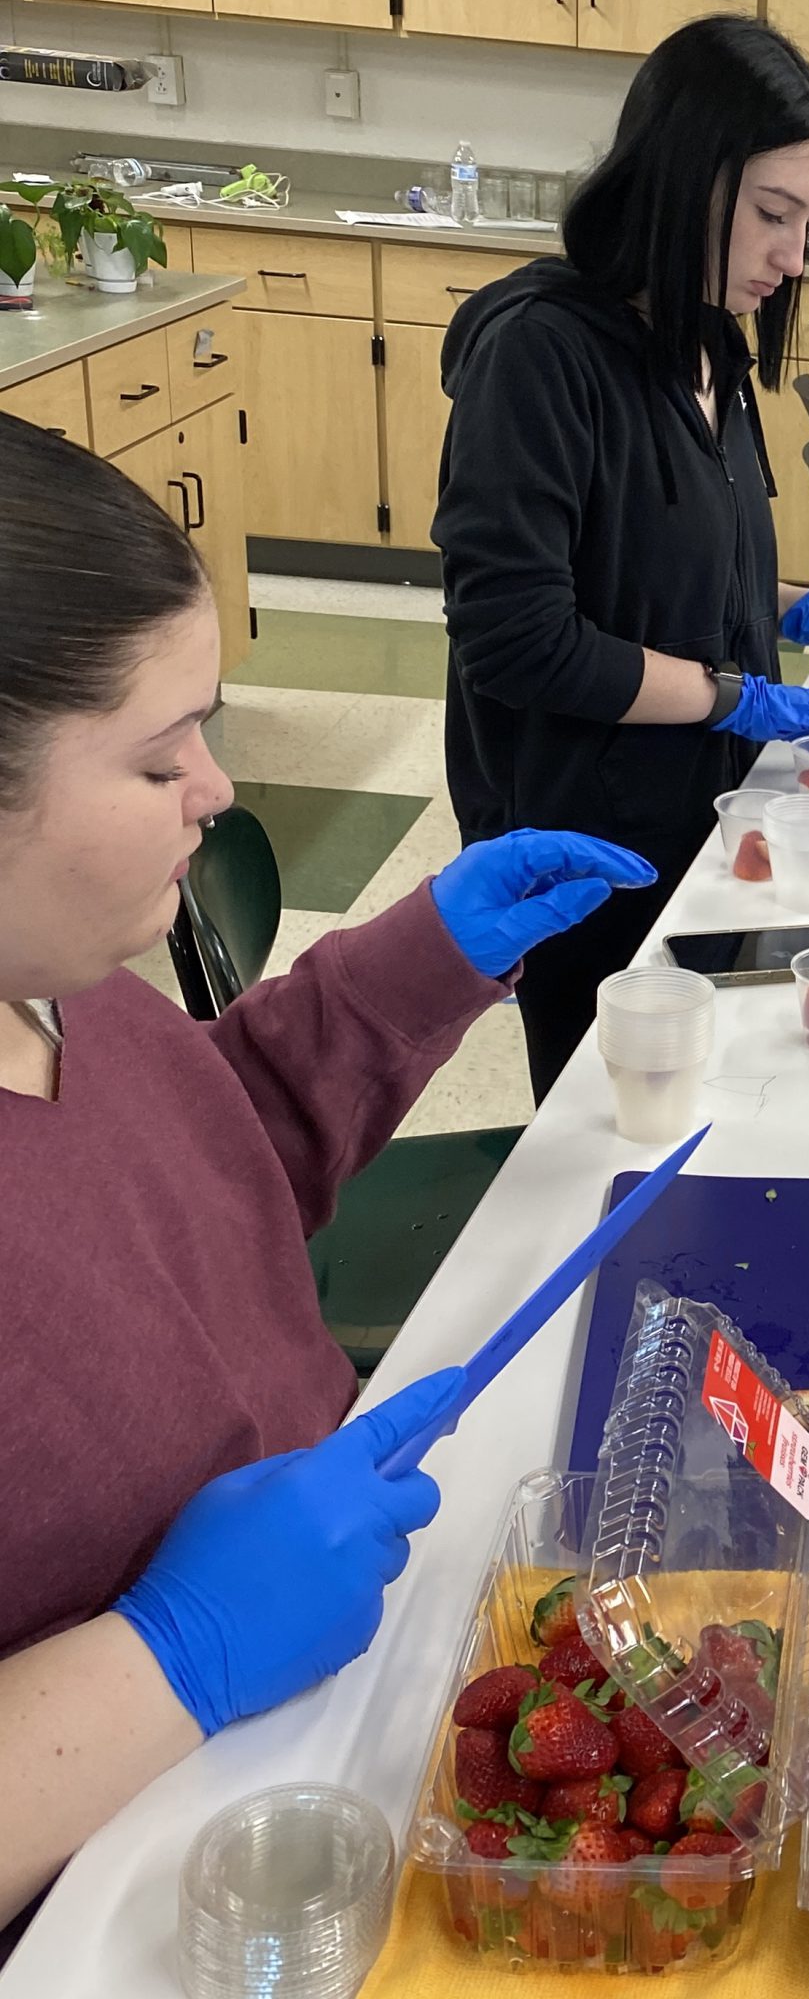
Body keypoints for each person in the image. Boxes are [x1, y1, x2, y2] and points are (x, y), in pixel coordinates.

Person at [0, 415, 654, 1937]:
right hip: (164, 1890)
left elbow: (191, 1174)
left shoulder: (53, 984)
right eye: (158, 757)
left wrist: (413, 969)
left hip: (357, 1699)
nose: (217, 789)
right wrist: (165, 1654)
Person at [435, 15, 809, 1103]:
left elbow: (672, 564)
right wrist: (737, 697)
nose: (793, 258)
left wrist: (801, 609)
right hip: (593, 848)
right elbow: (520, 639)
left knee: (747, 1104)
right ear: (679, 178)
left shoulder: (708, 338)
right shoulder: (537, 355)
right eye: (773, 214)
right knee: (623, 1127)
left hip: (710, 821)